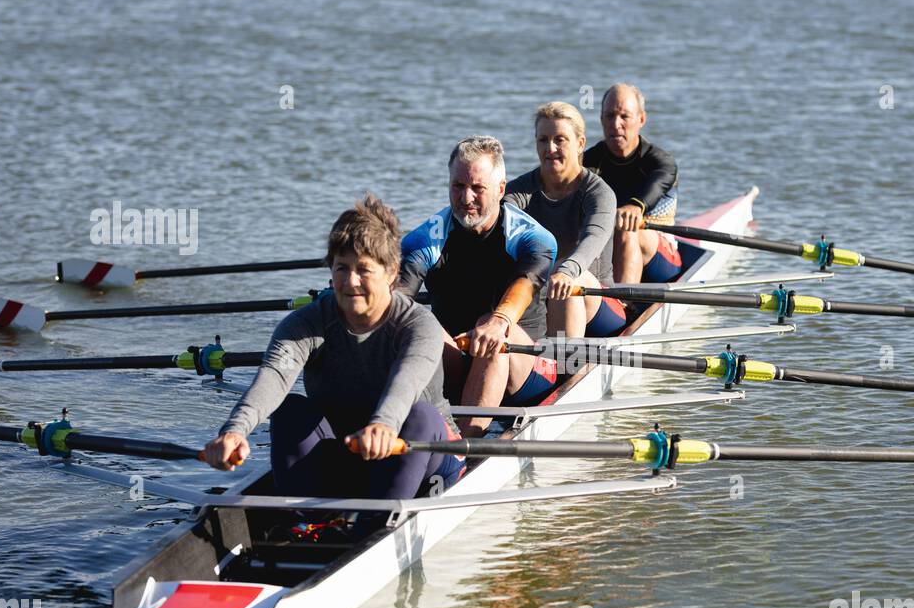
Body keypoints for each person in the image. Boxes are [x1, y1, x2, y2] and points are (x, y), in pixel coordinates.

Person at [203, 194, 464, 519]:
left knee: (420, 416)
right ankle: (309, 520)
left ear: (392, 272)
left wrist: (382, 427)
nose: (351, 281)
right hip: (351, 451)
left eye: (364, 269)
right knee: (289, 411)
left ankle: (371, 529)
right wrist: (234, 431)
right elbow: (274, 376)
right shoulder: (304, 325)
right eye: (342, 268)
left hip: (423, 456)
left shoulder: (418, 325)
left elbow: (406, 382)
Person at [398, 135, 559, 437]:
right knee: (412, 321)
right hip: (459, 361)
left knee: (490, 328)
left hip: (527, 370)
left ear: (500, 190)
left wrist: (499, 321)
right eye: (458, 187)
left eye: (477, 188)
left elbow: (526, 283)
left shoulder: (533, 237)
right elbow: (400, 296)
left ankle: (463, 449)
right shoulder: (424, 238)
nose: (466, 198)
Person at [503, 102, 624, 338]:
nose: (550, 148)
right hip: (541, 294)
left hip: (601, 305)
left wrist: (567, 271)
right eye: (543, 140)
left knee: (565, 277)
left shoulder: (599, 194)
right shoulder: (518, 192)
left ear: (580, 144)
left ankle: (564, 369)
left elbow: (593, 239)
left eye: (560, 139)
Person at [582, 83, 681, 284]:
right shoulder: (589, 162)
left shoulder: (661, 162)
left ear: (641, 119)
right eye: (610, 116)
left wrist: (636, 206)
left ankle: (622, 306)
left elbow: (657, 184)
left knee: (627, 229)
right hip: (608, 250)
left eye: (624, 116)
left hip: (661, 259)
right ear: (601, 120)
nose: (616, 124)